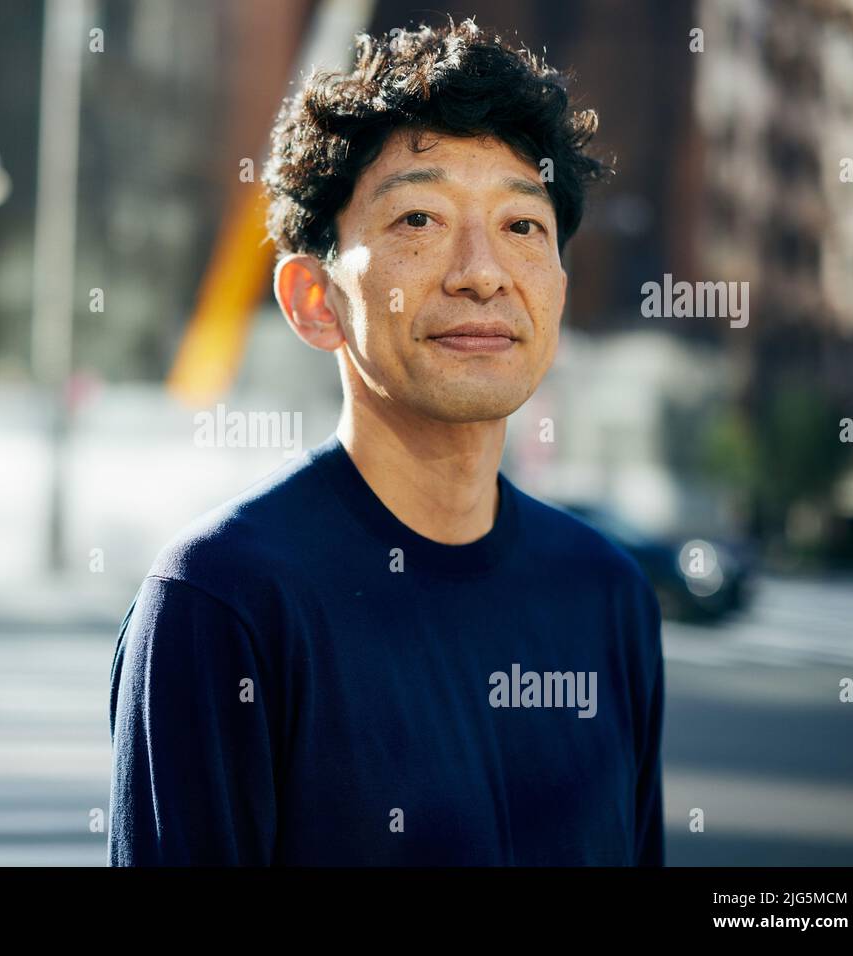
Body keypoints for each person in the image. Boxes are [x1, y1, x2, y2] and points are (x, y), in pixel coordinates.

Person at [107, 17, 663, 866]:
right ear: (313, 301)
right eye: (418, 219)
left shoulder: (608, 595)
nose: (482, 271)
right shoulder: (221, 600)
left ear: (558, 286)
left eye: (523, 226)